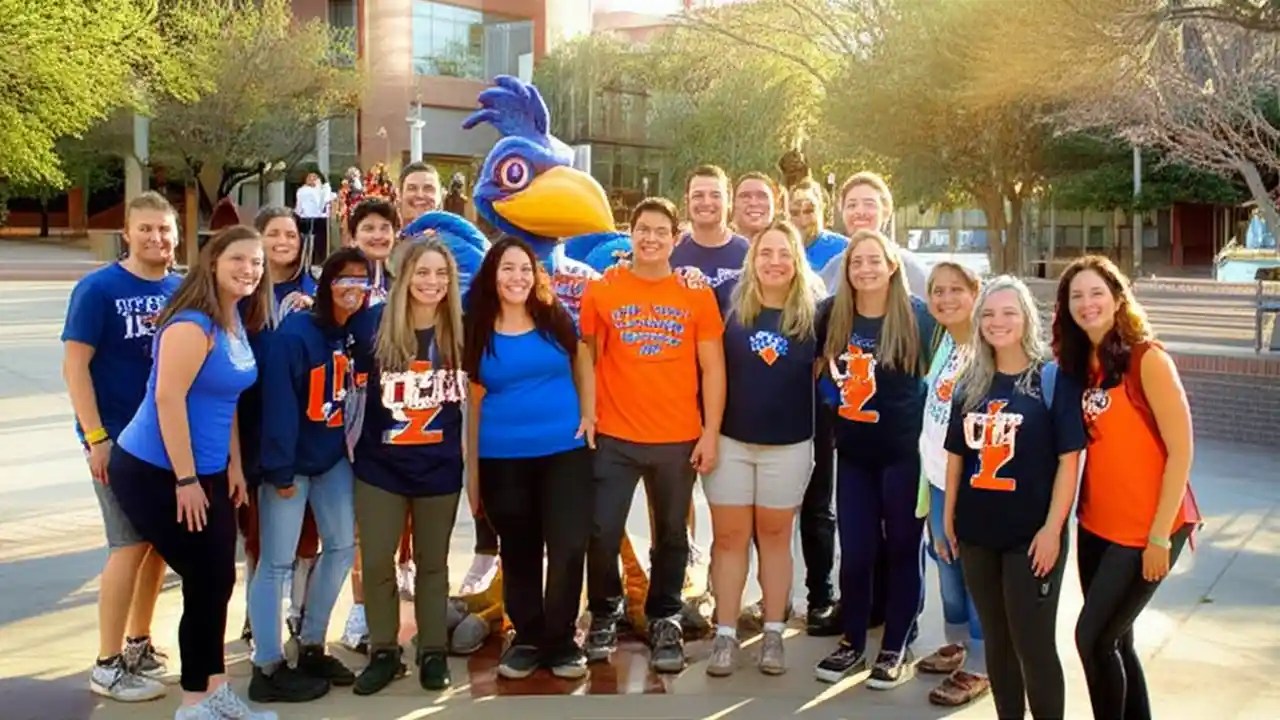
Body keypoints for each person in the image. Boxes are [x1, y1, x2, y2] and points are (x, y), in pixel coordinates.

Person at [107, 225, 275, 720]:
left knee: (218, 579)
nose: (249, 270)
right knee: (204, 577)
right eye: (239, 260)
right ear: (213, 263)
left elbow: (224, 399)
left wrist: (234, 468)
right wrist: (186, 480)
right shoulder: (192, 323)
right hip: (154, 469)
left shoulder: (233, 318)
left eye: (257, 263)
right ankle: (194, 702)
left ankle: (215, 688)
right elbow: (168, 399)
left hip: (209, 470)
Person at [1053, 255, 1200, 720]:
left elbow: (1181, 451)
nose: (1087, 303)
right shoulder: (1080, 365)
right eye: (1076, 296)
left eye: (1096, 292)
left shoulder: (1148, 358)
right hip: (1095, 526)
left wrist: (1159, 536)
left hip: (1146, 532)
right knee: (1118, 640)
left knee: (1091, 640)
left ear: (1118, 298)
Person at [582, 197, 726, 673]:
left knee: (672, 536)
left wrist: (711, 433)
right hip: (616, 436)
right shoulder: (604, 290)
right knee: (600, 531)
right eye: (642, 229)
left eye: (660, 231)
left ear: (675, 237)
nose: (650, 238)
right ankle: (606, 611)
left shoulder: (694, 294)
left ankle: (665, 614)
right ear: (631, 233)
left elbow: (713, 368)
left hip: (676, 437)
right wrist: (589, 414)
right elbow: (588, 355)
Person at [943, 275, 1085, 720]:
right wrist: (948, 519)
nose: (996, 322)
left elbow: (1069, 460)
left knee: (1033, 643)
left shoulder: (1051, 379)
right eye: (988, 314)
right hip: (977, 534)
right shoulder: (971, 382)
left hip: (1031, 537)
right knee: (998, 643)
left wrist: (1052, 529)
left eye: (1008, 312)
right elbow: (956, 456)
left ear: (1026, 317)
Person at [63, 191, 182, 703]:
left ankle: (138, 643)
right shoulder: (99, 290)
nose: (156, 238)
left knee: (156, 545)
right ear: (128, 233)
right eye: (147, 229)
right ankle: (106, 663)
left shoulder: (181, 289)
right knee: (126, 545)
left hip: (165, 443)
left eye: (165, 230)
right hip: (116, 442)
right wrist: (96, 438)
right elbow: (75, 367)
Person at [462, 236, 596, 681]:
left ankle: (560, 637)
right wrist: (473, 477)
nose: (517, 277)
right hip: (502, 454)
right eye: (507, 269)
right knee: (518, 547)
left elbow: (583, 360)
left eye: (525, 268)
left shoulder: (553, 315)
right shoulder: (475, 326)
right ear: (492, 275)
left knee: (568, 543)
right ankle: (529, 636)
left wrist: (589, 414)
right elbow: (471, 402)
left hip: (564, 448)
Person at [813, 229, 936, 688]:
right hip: (855, 455)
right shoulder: (834, 315)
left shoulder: (917, 317)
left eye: (873, 261)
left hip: (905, 454)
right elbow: (821, 369)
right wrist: (834, 398)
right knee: (858, 552)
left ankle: (896, 644)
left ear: (891, 265)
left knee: (904, 548)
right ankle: (852, 643)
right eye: (856, 262)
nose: (865, 269)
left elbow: (942, 373)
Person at [246, 249, 370, 703]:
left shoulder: (350, 332)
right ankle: (267, 663)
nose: (354, 286)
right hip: (291, 464)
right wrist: (278, 468)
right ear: (327, 282)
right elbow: (277, 406)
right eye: (345, 278)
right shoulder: (295, 335)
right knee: (276, 562)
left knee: (340, 547)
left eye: (363, 278)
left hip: (331, 456)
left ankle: (312, 642)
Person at [702, 219, 823, 677]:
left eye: (784, 254)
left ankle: (773, 632)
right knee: (730, 539)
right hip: (731, 442)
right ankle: (726, 635)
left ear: (797, 261)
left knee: (775, 538)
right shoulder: (727, 302)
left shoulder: (817, 313)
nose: (775, 262)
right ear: (752, 259)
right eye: (766, 253)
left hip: (788, 446)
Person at [347, 238, 467, 696]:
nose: (431, 282)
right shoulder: (373, 325)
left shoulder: (461, 328)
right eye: (422, 272)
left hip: (438, 467)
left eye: (440, 274)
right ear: (404, 276)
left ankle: (432, 651)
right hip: (382, 466)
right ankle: (383, 651)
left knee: (432, 565)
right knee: (378, 561)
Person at [914, 262, 991, 707]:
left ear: (975, 291)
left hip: (971, 486)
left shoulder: (987, 350)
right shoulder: (945, 343)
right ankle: (958, 645)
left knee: (973, 572)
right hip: (937, 477)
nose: (945, 299)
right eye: (937, 291)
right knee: (947, 570)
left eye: (956, 290)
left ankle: (981, 663)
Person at [671, 164, 750, 288]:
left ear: (729, 201)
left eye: (715, 195)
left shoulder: (748, 254)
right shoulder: (671, 251)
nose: (706, 202)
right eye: (698, 195)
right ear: (687, 201)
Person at [788, 177, 848, 272]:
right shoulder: (780, 251)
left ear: (822, 208)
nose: (803, 221)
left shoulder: (844, 249)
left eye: (809, 211)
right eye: (794, 213)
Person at [296, 172, 334, 265]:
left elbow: (324, 203)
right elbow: (300, 205)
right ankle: (308, 261)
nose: (312, 179)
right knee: (307, 240)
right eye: (310, 177)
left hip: (320, 218)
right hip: (307, 217)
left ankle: (320, 261)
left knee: (320, 242)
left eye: (315, 177)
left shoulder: (322, 189)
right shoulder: (303, 190)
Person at [730, 172, 781, 241]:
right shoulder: (715, 247)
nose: (753, 203)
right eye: (745, 196)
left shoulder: (792, 249)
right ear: (733, 204)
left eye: (762, 196)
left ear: (775, 204)